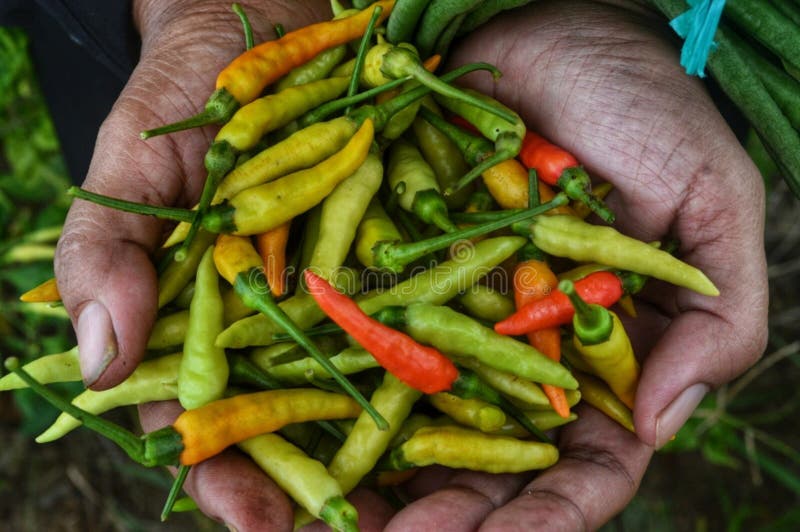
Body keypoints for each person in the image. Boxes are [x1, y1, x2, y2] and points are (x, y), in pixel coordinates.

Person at [14, 0, 770, 529]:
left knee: (328, 254)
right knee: (172, 222)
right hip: (160, 49)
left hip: (488, 72)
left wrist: (623, 10)